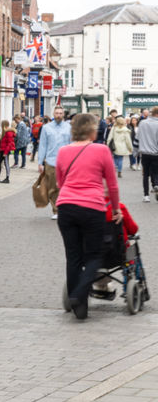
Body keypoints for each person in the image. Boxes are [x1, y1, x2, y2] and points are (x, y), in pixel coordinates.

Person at [56, 113, 122, 319]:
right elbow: (111, 184)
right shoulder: (101, 150)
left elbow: (60, 182)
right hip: (92, 207)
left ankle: (80, 308)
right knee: (94, 255)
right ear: (91, 130)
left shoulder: (63, 151)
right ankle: (78, 294)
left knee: (73, 257)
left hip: (66, 207)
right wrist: (116, 209)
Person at [37, 106, 72, 219]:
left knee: (66, 186)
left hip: (66, 161)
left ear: (63, 115)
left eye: (60, 113)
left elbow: (72, 144)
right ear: (53, 114)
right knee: (52, 187)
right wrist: (40, 162)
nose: (58, 115)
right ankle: (56, 210)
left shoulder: (69, 127)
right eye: (57, 113)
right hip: (51, 161)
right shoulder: (46, 128)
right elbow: (42, 145)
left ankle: (65, 209)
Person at [136, 106, 158, 202]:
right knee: (156, 172)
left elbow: (137, 138)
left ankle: (146, 196)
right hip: (156, 152)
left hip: (144, 152)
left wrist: (135, 151)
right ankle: (156, 184)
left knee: (145, 175)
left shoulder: (142, 123)